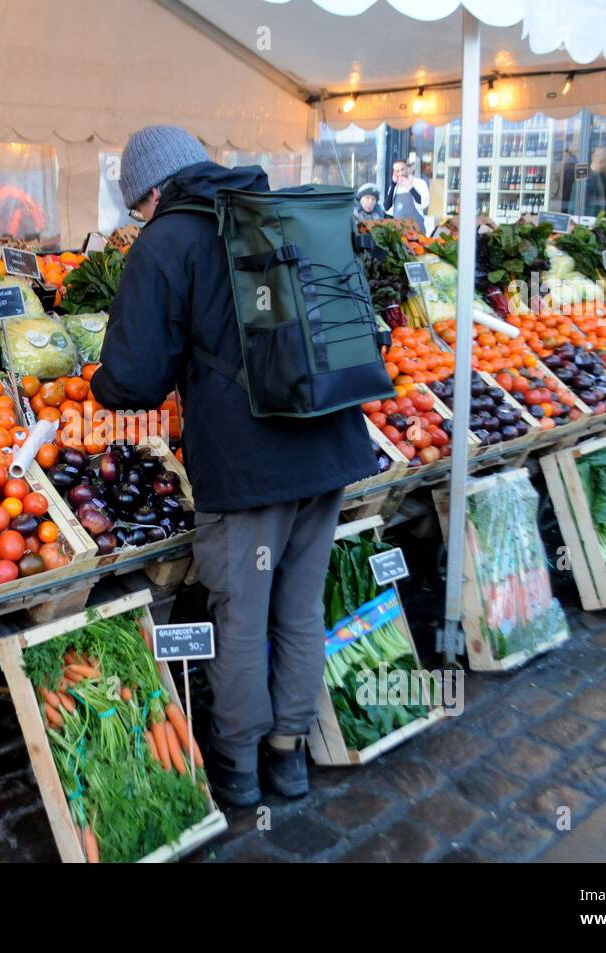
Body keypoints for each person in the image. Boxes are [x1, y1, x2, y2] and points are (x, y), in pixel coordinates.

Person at [91, 126, 378, 806]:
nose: (140, 218)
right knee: (300, 607)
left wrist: (95, 383)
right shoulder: (272, 210)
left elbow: (134, 379)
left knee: (242, 615)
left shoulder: (167, 240)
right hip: (328, 439)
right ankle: (290, 757)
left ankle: (241, 769)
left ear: (154, 191)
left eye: (137, 207)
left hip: (250, 467)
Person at [383, 158, 429, 232]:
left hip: (417, 231)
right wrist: (393, 185)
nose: (400, 173)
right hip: (399, 232)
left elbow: (424, 204)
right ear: (394, 173)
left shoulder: (419, 183)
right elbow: (386, 207)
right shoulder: (394, 187)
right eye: (397, 171)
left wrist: (411, 188)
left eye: (402, 169)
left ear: (408, 169)